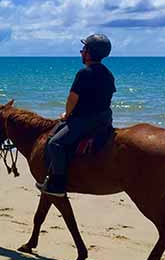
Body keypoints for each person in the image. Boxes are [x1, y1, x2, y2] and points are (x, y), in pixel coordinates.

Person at [37, 34, 115, 197]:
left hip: (86, 121)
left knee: (55, 144)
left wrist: (67, 115)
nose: (81, 52)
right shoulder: (108, 74)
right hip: (105, 119)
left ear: (89, 52)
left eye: (84, 49)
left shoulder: (84, 73)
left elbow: (72, 98)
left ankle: (57, 184)